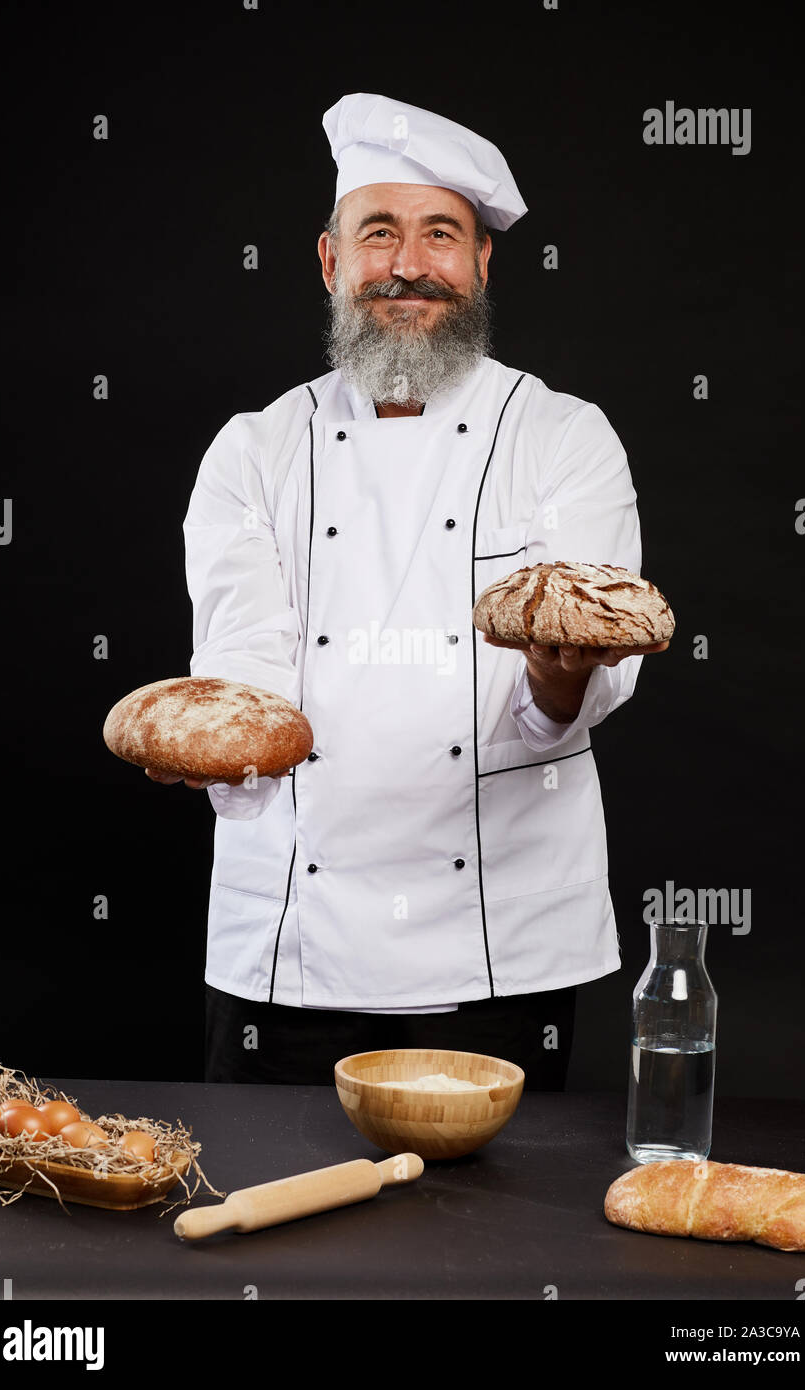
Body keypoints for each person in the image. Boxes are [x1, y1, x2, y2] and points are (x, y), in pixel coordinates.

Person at [149, 93, 668, 1088]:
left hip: (498, 952)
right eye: (377, 231)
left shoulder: (563, 436)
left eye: (441, 234)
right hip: (291, 951)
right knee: (271, 1224)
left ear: (480, 264)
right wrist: (214, 749)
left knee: (492, 1239)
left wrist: (561, 681)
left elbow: (575, 691)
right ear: (331, 260)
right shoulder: (253, 452)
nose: (407, 263)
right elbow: (244, 667)